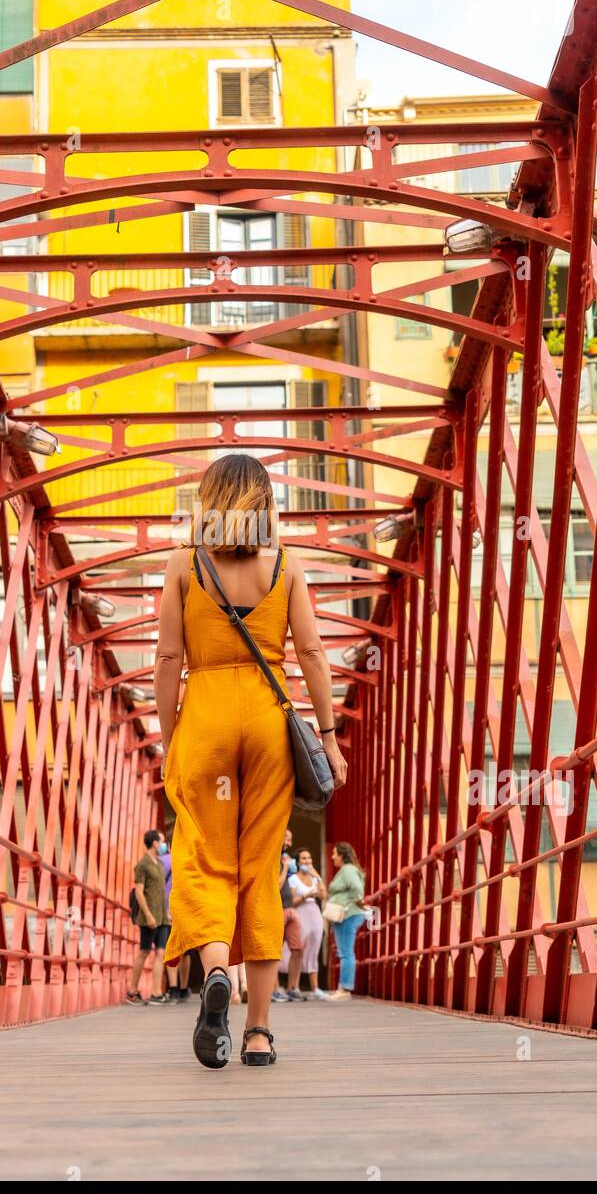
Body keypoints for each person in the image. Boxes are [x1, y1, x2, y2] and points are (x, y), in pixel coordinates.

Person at [154, 454, 347, 1068]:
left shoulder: (184, 565)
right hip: (268, 720)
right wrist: (331, 736)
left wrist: (171, 737)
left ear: (208, 500)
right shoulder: (286, 565)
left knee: (204, 858)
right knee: (261, 868)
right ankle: (259, 1033)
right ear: (264, 501)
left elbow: (165, 659)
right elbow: (312, 651)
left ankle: (214, 970)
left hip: (206, 716)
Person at [126, 829, 171, 1005]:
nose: (163, 845)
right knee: (144, 951)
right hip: (149, 917)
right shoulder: (143, 864)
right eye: (161, 841)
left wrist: (166, 912)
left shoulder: (159, 864)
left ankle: (156, 993)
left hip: (162, 917)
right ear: (154, 843)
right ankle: (132, 991)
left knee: (161, 952)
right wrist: (148, 915)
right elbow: (139, 892)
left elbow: (161, 892)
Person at [327, 842, 366, 1000]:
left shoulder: (347, 869)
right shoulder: (348, 870)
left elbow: (357, 889)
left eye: (335, 853)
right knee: (345, 952)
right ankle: (343, 988)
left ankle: (345, 989)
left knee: (346, 953)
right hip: (346, 915)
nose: (332, 857)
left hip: (347, 915)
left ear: (342, 855)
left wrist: (354, 902)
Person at [289, 848, 328, 998]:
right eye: (304, 859)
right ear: (298, 862)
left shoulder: (314, 878)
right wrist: (306, 895)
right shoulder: (293, 879)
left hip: (315, 914)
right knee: (298, 949)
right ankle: (295, 986)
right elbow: (292, 901)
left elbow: (324, 895)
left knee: (314, 948)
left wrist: (317, 876)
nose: (307, 861)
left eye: (309, 858)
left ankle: (315, 988)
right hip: (301, 914)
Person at [161, 834, 193, 1002]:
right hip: (182, 911)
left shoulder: (164, 860)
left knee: (176, 950)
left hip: (173, 911)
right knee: (186, 952)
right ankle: (181, 987)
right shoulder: (188, 859)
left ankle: (175, 988)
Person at [273, 843, 304, 1002]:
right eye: (286, 838)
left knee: (298, 949)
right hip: (277, 909)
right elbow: (277, 885)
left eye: (291, 840)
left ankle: (292, 988)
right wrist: (285, 867)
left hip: (291, 908)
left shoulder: (285, 859)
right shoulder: (272, 859)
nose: (289, 843)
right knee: (274, 951)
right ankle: (275, 989)